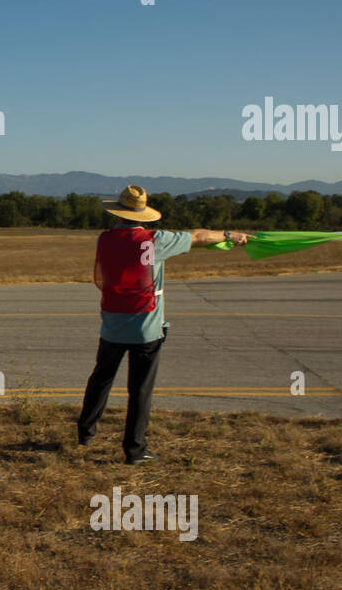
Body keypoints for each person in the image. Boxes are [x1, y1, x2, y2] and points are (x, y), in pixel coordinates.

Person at [77, 185, 254, 464]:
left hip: (111, 322)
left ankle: (86, 431)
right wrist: (230, 235)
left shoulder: (105, 240)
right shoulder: (154, 240)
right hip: (146, 327)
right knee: (140, 390)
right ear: (144, 215)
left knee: (101, 378)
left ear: (119, 214)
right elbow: (197, 236)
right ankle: (134, 449)